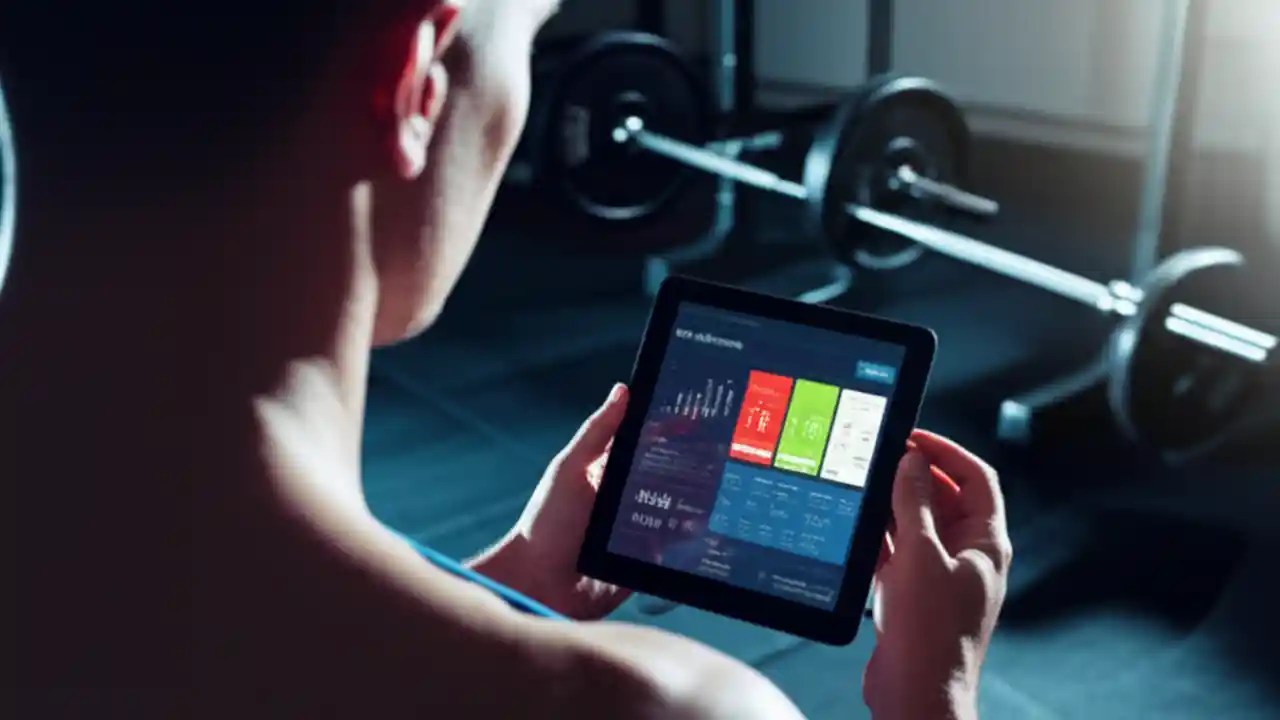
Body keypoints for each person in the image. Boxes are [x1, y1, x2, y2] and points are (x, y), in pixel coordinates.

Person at [0, 1, 1012, 717]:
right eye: (529, 40)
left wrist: (510, 585)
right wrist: (931, 695)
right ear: (413, 80)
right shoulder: (676, 710)